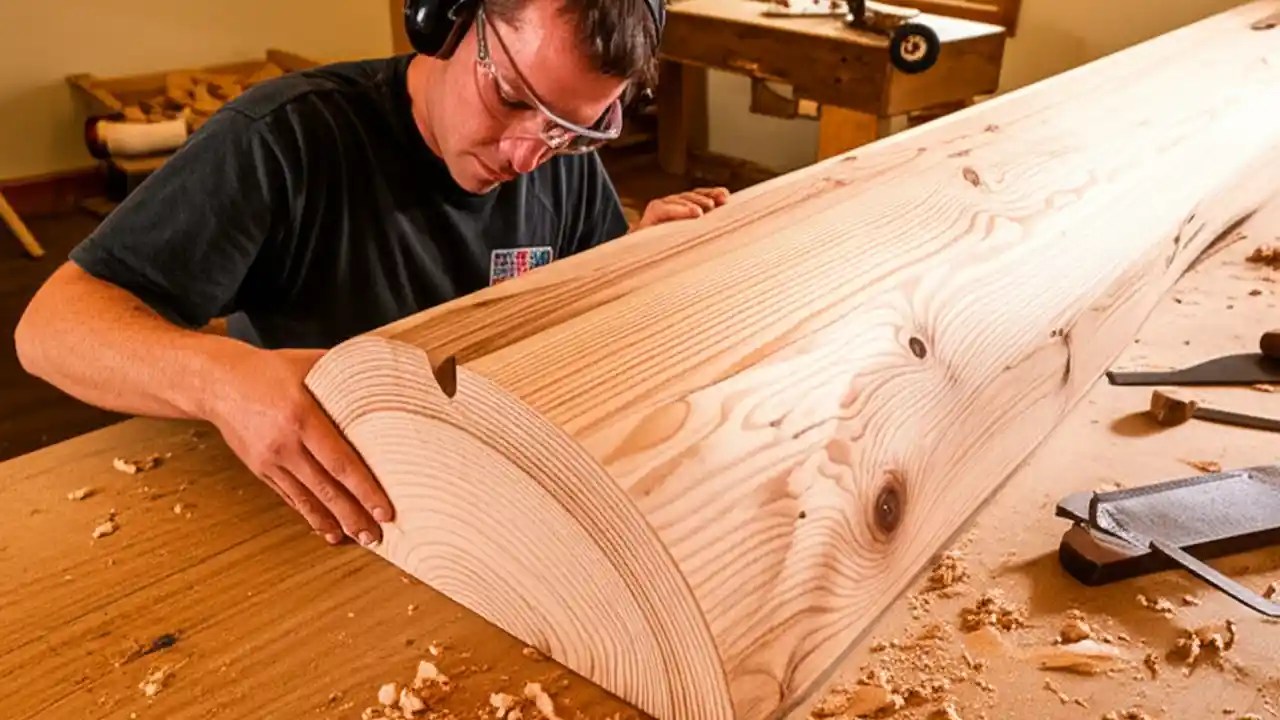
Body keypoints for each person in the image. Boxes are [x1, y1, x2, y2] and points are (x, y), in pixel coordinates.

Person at [13, 0, 729, 549]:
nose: (524, 155)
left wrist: (635, 259)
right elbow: (52, 327)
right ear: (449, 19)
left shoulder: (559, 164)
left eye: (572, 128)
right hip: (324, 517)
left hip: (484, 508)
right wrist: (222, 380)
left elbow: (571, 308)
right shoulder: (288, 140)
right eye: (511, 97)